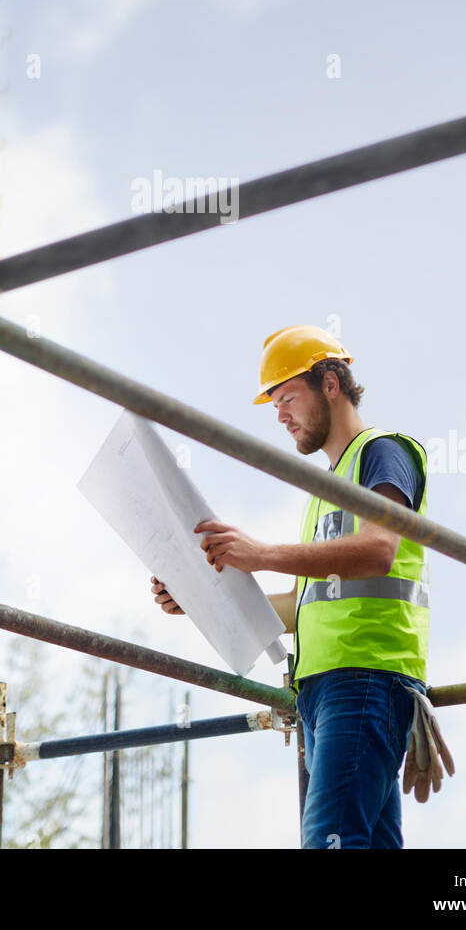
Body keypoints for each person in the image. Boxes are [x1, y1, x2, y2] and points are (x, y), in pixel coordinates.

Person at [151, 325, 430, 850]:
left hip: (364, 678)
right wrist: (195, 599)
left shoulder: (383, 453)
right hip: (333, 689)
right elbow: (303, 608)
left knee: (331, 840)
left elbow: (378, 551)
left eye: (286, 398)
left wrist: (262, 555)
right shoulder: (326, 491)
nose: (280, 416)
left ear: (330, 383)